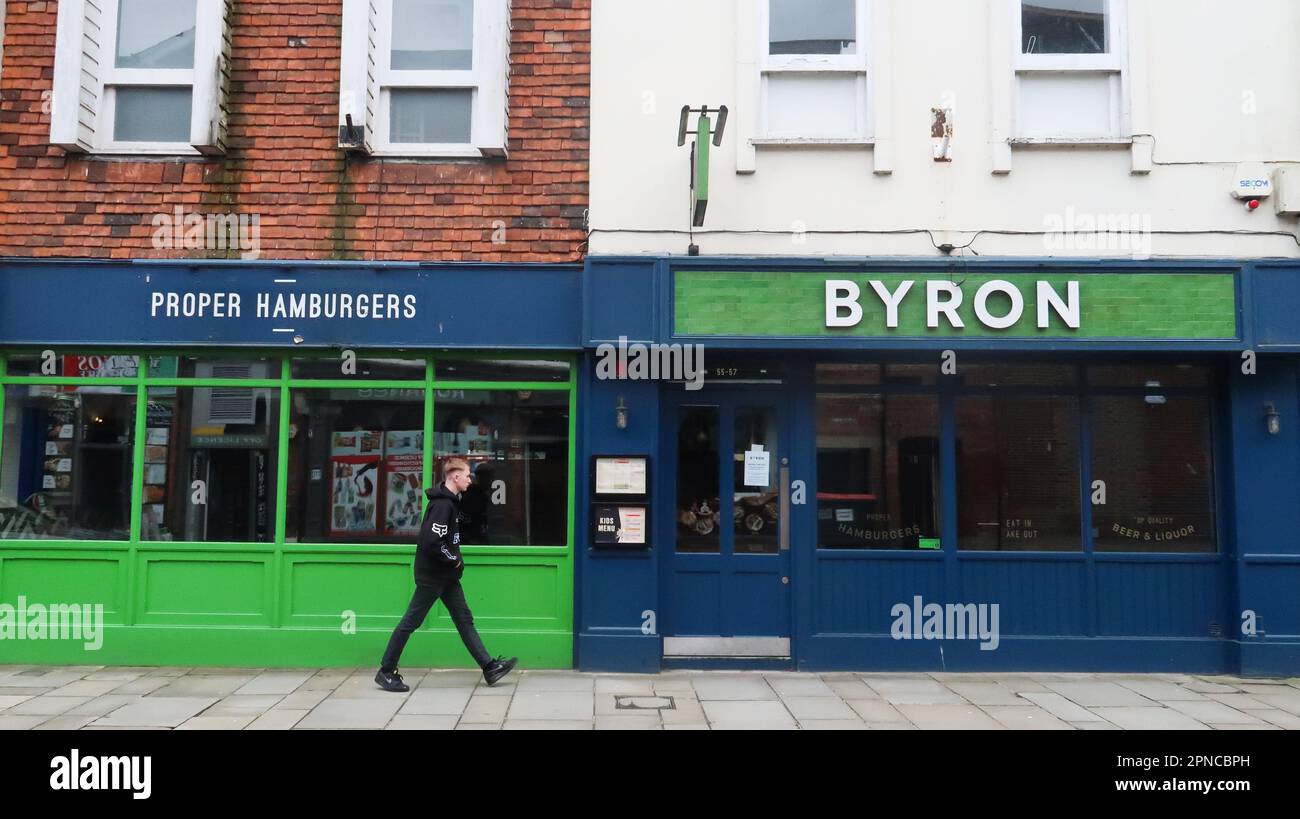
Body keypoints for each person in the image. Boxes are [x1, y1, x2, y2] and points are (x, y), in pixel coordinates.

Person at [375, 458, 517, 692]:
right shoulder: (443, 505)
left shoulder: (451, 502)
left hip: (446, 577)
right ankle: (386, 671)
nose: (471, 479)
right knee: (411, 621)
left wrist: (452, 564)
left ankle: (489, 667)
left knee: (464, 620)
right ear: (455, 477)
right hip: (433, 576)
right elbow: (432, 541)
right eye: (467, 475)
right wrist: (454, 560)